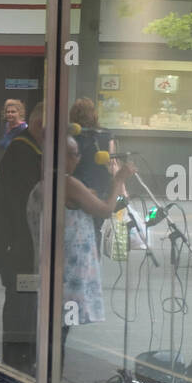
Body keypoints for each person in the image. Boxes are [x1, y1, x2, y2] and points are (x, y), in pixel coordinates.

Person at [27, 135, 133, 368]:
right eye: (75, 154)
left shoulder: (44, 183)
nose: (78, 159)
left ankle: (46, 376)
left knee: (54, 333)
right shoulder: (67, 184)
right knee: (58, 336)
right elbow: (105, 210)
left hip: (50, 268)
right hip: (67, 274)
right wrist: (119, 179)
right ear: (62, 156)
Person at [0, 103, 44, 372]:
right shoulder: (24, 151)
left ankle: (20, 357)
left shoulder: (27, 147)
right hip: (16, 244)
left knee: (24, 301)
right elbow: (22, 202)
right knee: (21, 301)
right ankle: (17, 360)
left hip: (14, 242)